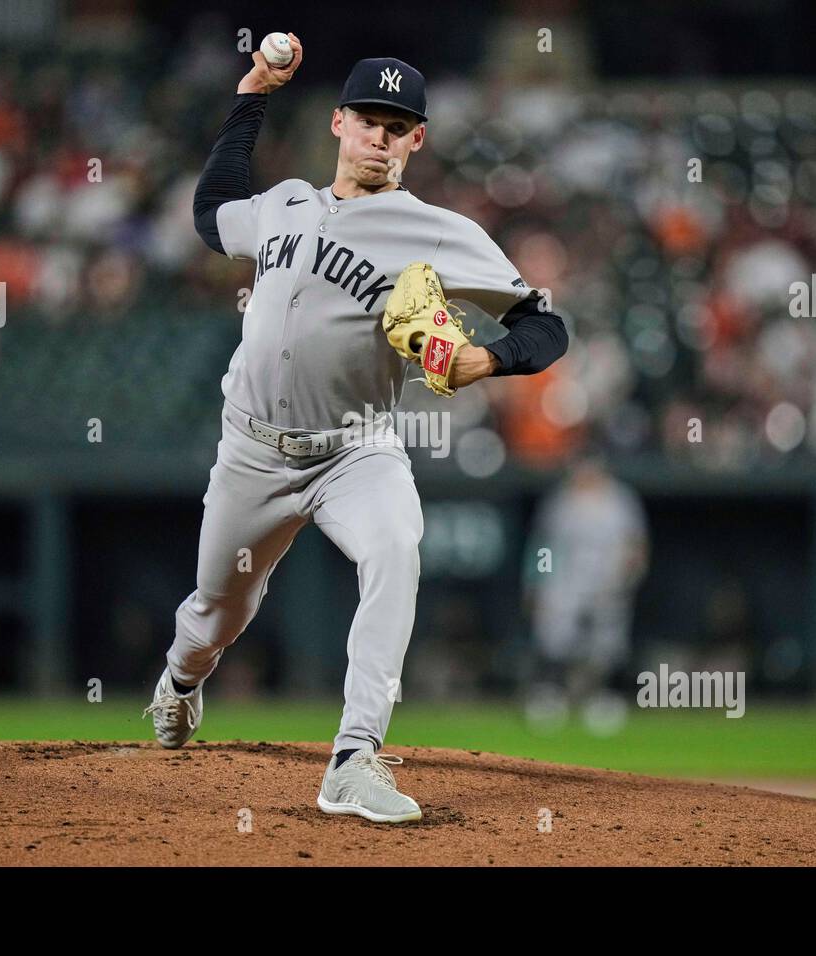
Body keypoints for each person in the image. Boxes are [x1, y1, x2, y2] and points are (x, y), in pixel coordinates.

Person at [144, 36, 569, 822]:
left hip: (356, 448)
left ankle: (353, 757)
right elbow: (210, 214)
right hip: (251, 451)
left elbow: (546, 325)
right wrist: (251, 98)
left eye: (397, 125)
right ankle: (177, 685)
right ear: (338, 123)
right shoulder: (285, 204)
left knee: (394, 548)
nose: (380, 136)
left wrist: (488, 360)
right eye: (368, 119)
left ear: (417, 140)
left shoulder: (437, 232)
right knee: (215, 613)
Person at [523, 453, 649, 735]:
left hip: (608, 579)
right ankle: (550, 697)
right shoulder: (561, 500)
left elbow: (635, 544)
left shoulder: (620, 499)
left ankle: (599, 698)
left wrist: (629, 577)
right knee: (555, 637)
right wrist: (538, 582)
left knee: (605, 645)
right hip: (565, 579)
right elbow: (544, 544)